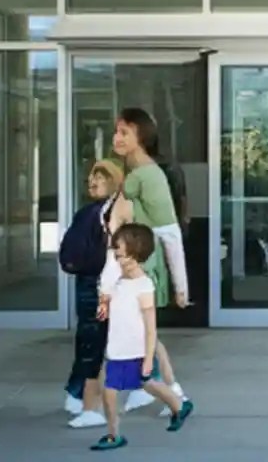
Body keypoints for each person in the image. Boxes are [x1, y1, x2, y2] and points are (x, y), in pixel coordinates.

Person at [101, 107, 191, 414]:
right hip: (137, 271)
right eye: (117, 131)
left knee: (144, 336)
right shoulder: (140, 175)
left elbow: (168, 233)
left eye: (125, 132)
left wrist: (181, 287)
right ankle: (155, 389)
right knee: (143, 335)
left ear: (142, 137)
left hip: (139, 272)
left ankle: (169, 391)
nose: (117, 138)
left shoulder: (146, 176)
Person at [91, 223, 194, 451]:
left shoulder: (144, 286)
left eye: (119, 248)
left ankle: (178, 405)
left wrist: (148, 358)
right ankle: (113, 434)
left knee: (148, 384)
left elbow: (150, 328)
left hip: (136, 349)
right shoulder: (118, 281)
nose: (115, 252)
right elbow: (113, 307)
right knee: (110, 390)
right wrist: (104, 305)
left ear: (134, 251)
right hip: (116, 348)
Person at [62, 159, 124, 428]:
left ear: (113, 181)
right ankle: (77, 394)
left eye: (99, 177)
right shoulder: (89, 212)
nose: (93, 181)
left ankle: (86, 401)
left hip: (102, 282)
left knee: (96, 342)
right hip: (89, 282)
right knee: (89, 340)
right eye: (91, 178)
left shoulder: (112, 211)